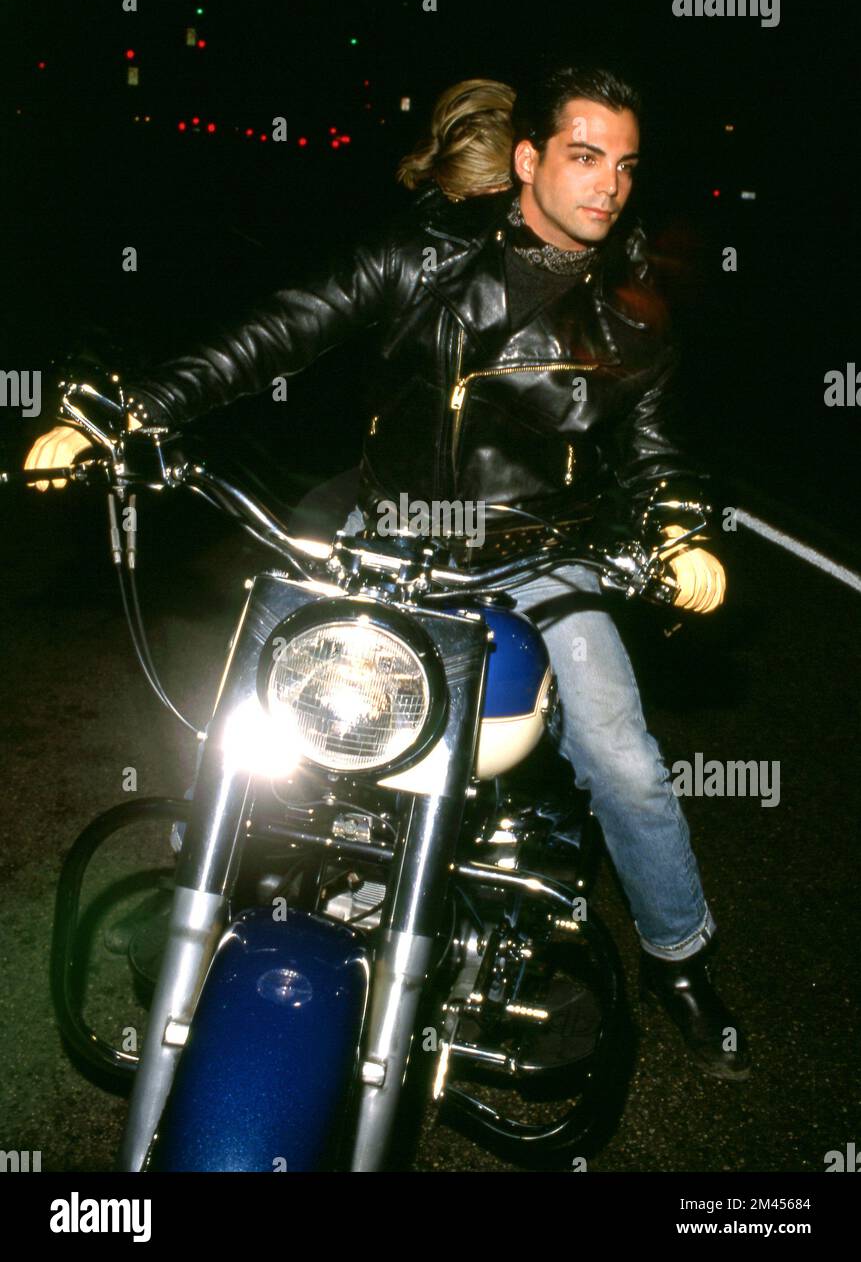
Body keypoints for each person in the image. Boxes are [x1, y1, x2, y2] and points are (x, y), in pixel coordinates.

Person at [24, 58, 750, 1081]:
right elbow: (282, 327)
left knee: (624, 754)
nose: (608, 185)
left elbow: (658, 452)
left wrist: (681, 531)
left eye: (626, 167)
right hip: (387, 535)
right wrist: (139, 409)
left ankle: (683, 957)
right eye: (585, 157)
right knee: (264, 718)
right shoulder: (426, 254)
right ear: (531, 158)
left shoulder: (632, 313)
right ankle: (210, 902)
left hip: (541, 557)